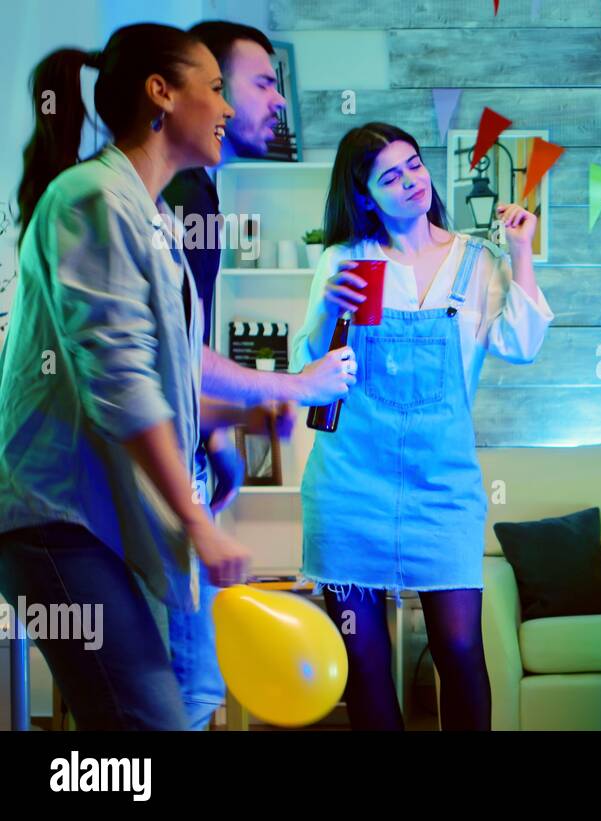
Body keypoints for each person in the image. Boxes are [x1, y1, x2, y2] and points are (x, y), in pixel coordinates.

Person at [0, 24, 261, 729]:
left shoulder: (147, 217)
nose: (230, 109)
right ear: (161, 93)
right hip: (58, 523)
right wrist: (197, 518)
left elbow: (160, 381)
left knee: (166, 715)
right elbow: (119, 384)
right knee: (144, 727)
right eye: (214, 89)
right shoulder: (92, 197)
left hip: (106, 522)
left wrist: (243, 415)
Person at [291, 122, 553, 730]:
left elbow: (520, 344)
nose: (411, 181)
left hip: (443, 487)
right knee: (362, 655)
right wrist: (329, 307)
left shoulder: (477, 260)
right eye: (390, 176)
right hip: (350, 483)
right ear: (364, 197)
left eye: (413, 165)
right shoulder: (343, 260)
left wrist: (521, 254)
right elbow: (306, 368)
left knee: (460, 649)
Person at [161, 19, 355, 731]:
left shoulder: (200, 195)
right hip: (127, 492)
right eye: (262, 83)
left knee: (194, 689)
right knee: (182, 694)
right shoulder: (174, 198)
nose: (279, 102)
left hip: (179, 469)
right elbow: (161, 356)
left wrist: (213, 429)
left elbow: (175, 351)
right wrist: (291, 385)